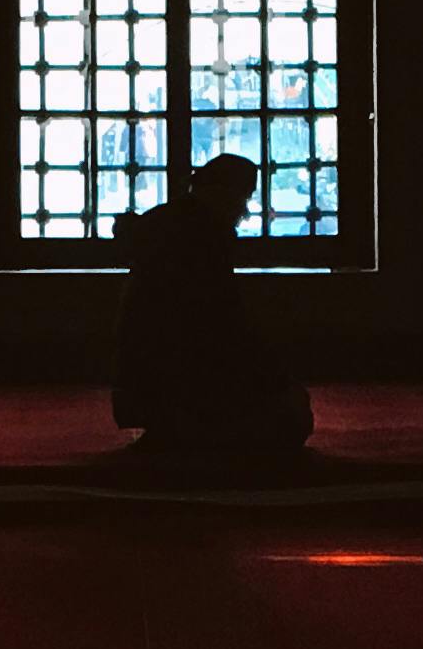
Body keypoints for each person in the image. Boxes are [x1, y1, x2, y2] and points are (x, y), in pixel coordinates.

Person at [108, 155, 313, 469]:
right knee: (291, 418)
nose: (244, 212)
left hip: (147, 377)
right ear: (224, 193)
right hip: (183, 373)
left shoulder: (167, 223)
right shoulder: (207, 236)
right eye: (242, 199)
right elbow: (221, 326)